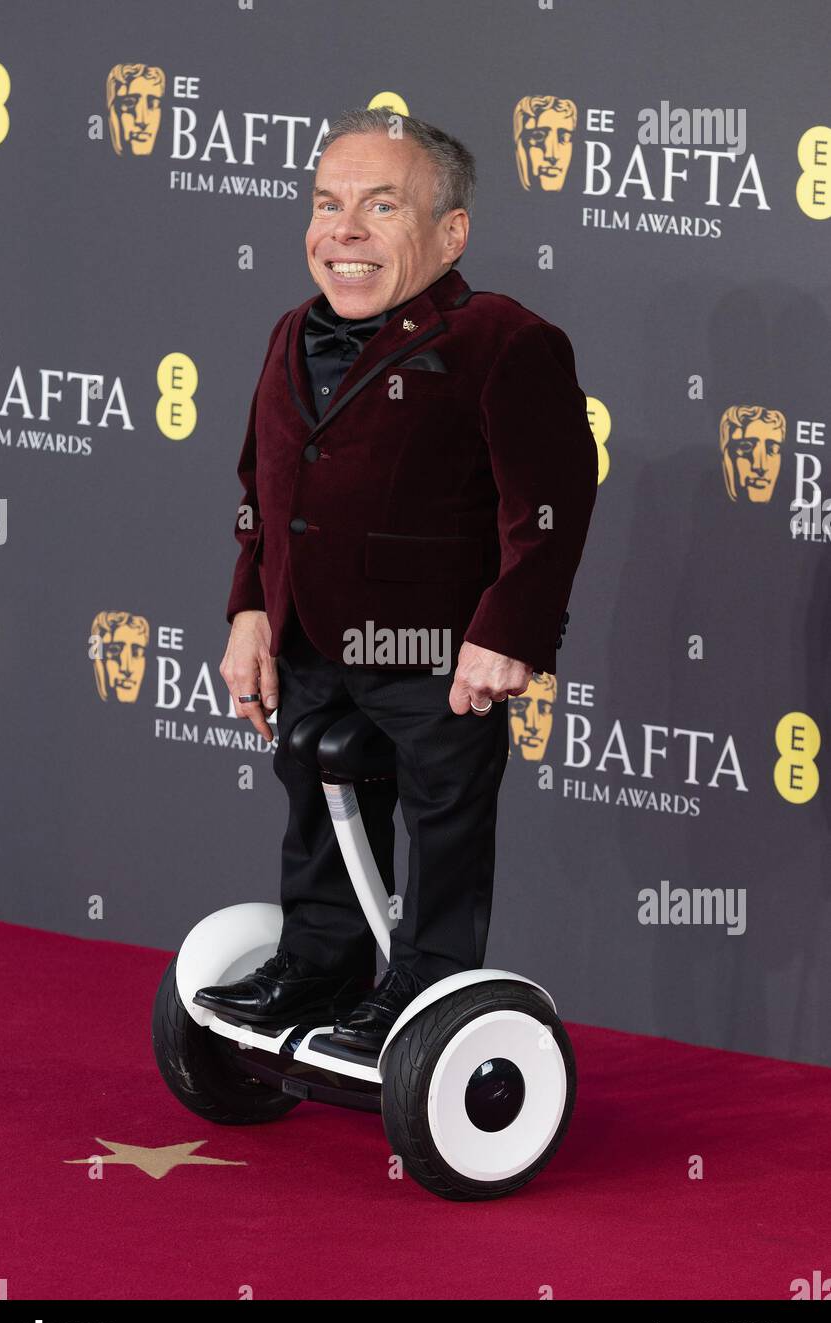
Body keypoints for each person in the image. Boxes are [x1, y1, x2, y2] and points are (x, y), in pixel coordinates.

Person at [194, 107, 598, 1052]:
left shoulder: (503, 339)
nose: (344, 231)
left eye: (381, 207)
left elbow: (550, 502)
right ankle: (320, 964)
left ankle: (427, 988)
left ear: (450, 233)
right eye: (326, 204)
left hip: (437, 654)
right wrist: (249, 607)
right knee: (314, 804)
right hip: (306, 634)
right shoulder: (289, 331)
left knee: (443, 825)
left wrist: (508, 632)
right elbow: (261, 487)